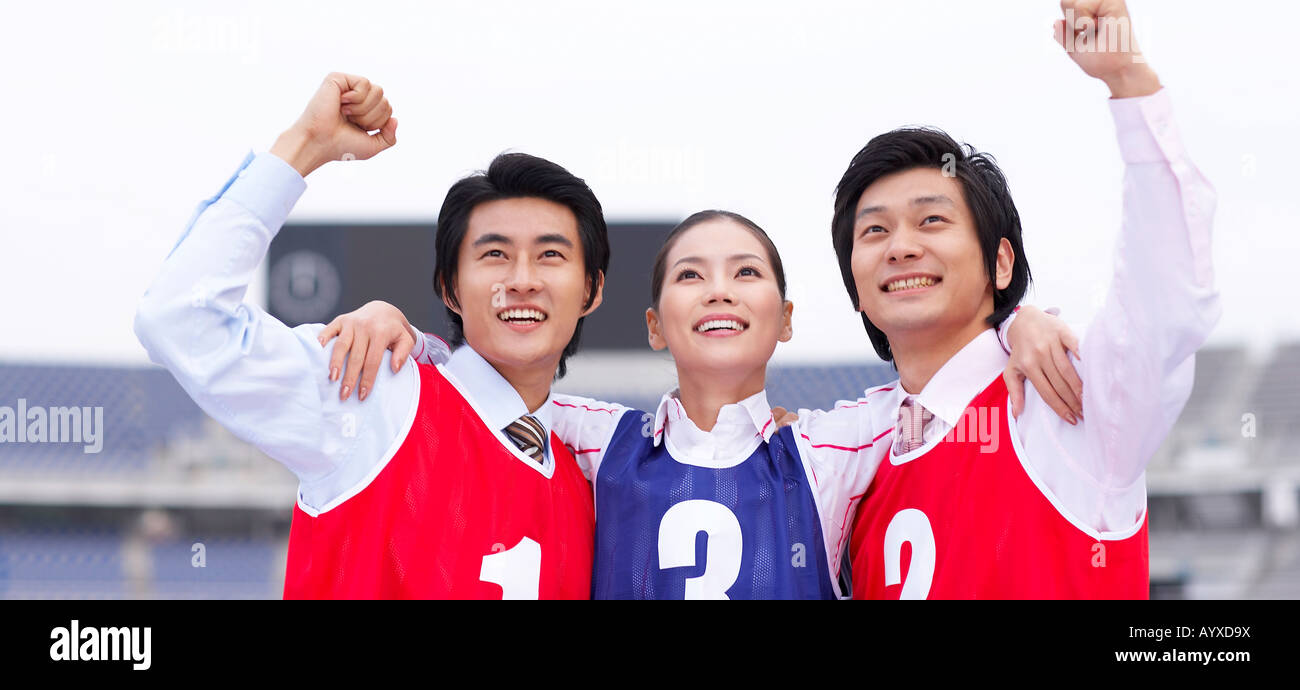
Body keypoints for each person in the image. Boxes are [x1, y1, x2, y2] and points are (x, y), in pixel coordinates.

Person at [326, 213, 1078, 598]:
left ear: (784, 319)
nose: (718, 290)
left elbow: (943, 360)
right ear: (655, 325)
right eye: (691, 275)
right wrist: (408, 336)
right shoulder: (594, 441)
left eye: (745, 272)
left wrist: (1017, 321)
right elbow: (484, 391)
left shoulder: (835, 448)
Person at [134, 73, 603, 598]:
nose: (522, 280)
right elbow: (180, 318)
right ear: (449, 287)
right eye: (494, 254)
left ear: (592, 290)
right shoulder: (373, 390)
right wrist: (306, 145)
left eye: (551, 255)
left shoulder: (587, 478)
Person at [835, 0, 1221, 598]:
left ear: (1001, 262)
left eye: (932, 220)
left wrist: (1127, 79)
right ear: (855, 285)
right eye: (875, 230)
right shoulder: (853, 454)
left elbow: (1167, 298)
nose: (900, 246)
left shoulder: (1067, 397)